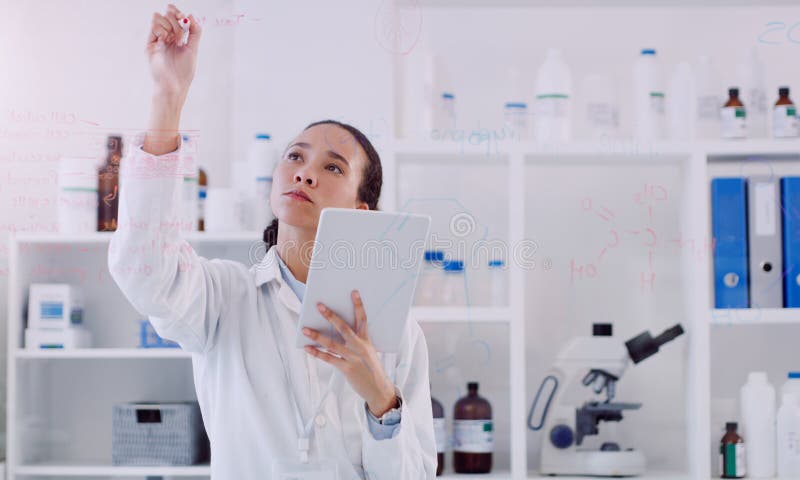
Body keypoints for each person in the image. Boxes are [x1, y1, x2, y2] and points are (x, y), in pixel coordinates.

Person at [108, 4, 437, 479]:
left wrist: (382, 398)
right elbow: (143, 271)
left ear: (361, 210)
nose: (304, 170)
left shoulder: (398, 334)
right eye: (295, 156)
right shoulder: (223, 299)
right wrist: (168, 95)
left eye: (333, 167)